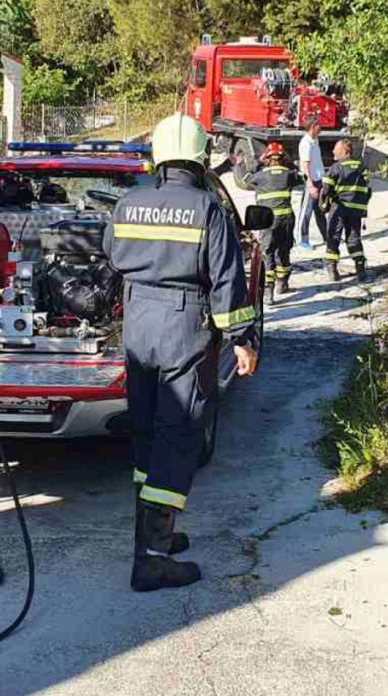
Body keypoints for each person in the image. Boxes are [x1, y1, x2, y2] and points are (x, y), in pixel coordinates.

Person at [104, 114, 260, 591]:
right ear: (199, 157)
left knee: (148, 434)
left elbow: (110, 256)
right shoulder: (206, 207)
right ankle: (151, 560)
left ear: (157, 156)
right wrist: (242, 339)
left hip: (138, 325)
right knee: (178, 436)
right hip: (183, 327)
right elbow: (228, 280)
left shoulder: (128, 202)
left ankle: (155, 540)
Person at [243, 141, 301, 298]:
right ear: (283, 158)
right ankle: (282, 283)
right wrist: (289, 163)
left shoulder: (260, 176)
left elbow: (245, 179)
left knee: (267, 252)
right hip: (286, 219)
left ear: (267, 158)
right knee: (284, 251)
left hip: (267, 221)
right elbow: (302, 177)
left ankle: (269, 290)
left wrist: (258, 163)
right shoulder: (289, 174)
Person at [325, 138, 372, 282]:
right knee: (354, 238)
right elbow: (368, 189)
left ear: (345, 151)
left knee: (333, 237)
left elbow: (326, 189)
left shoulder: (336, 168)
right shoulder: (362, 167)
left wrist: (324, 205)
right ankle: (360, 270)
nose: (333, 151)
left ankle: (332, 269)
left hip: (339, 208)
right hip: (356, 210)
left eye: (336, 149)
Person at [295, 119, 328, 256]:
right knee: (306, 212)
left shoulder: (315, 141)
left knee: (320, 211)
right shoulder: (306, 143)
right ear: (313, 127)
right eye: (318, 125)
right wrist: (310, 185)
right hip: (312, 182)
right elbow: (305, 165)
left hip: (319, 180)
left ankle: (327, 237)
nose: (321, 128)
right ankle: (302, 240)